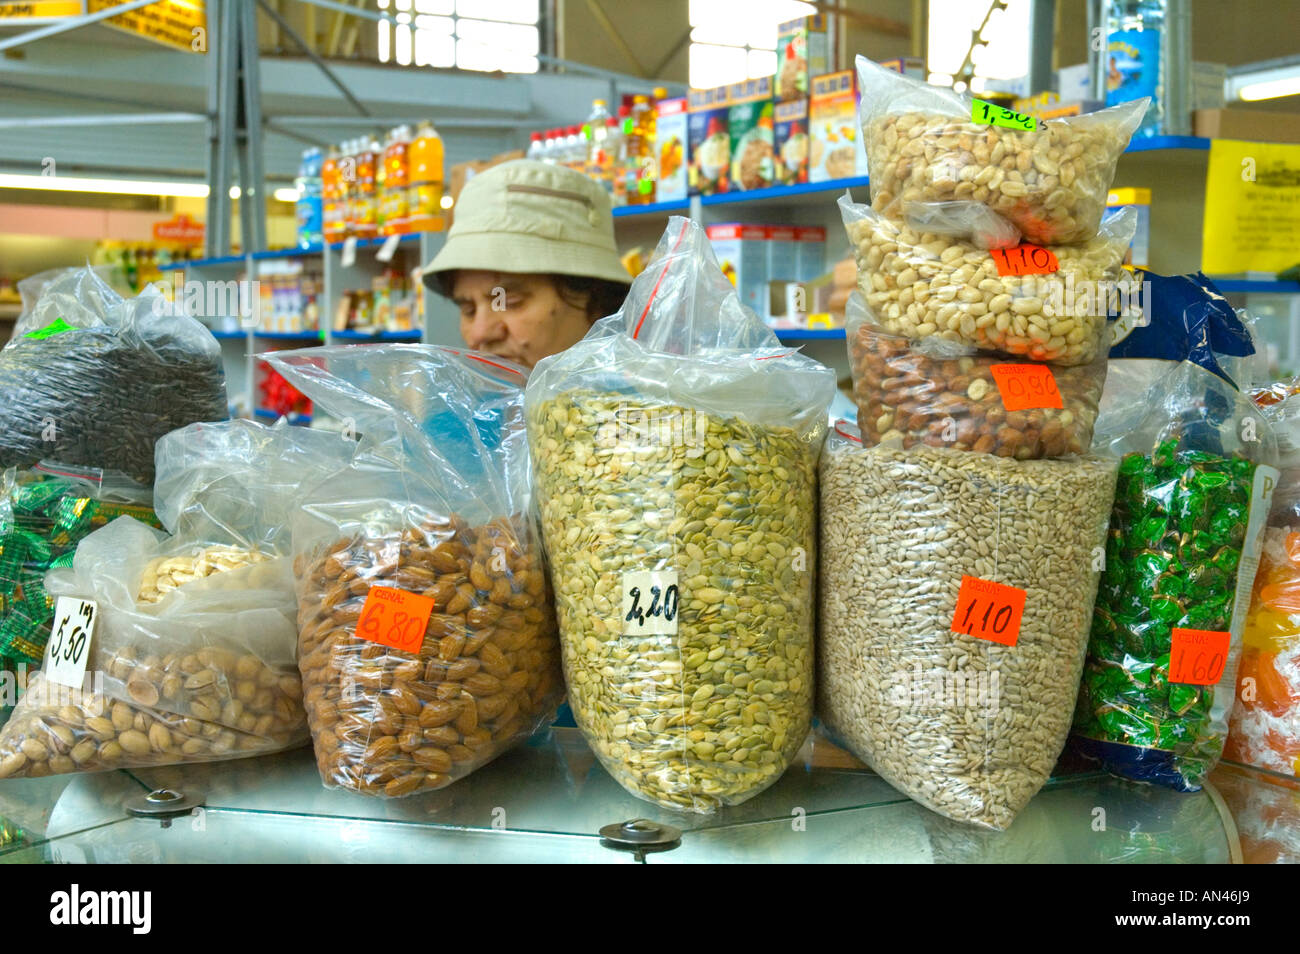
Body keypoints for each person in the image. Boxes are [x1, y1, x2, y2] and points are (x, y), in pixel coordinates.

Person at [420, 159, 631, 369]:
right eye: (468, 310)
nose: (480, 333)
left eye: (510, 302)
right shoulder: (474, 401)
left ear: (597, 301)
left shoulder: (645, 399)